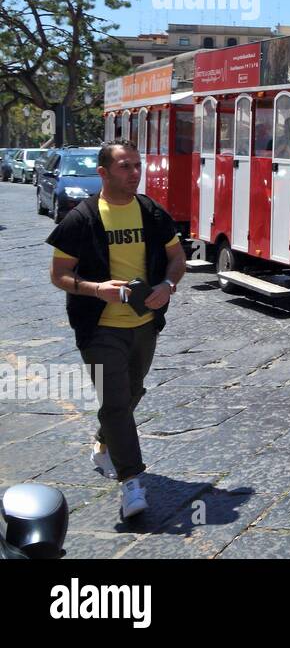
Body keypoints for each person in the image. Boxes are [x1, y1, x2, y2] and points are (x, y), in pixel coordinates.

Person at [46, 140, 186, 520]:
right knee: (118, 402)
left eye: (138, 165)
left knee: (131, 392)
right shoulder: (82, 218)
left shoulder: (152, 212)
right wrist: (97, 290)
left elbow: (177, 258)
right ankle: (132, 483)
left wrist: (167, 286)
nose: (135, 173)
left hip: (144, 324)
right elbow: (59, 275)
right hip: (99, 328)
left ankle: (105, 440)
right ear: (104, 173)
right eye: (126, 167)